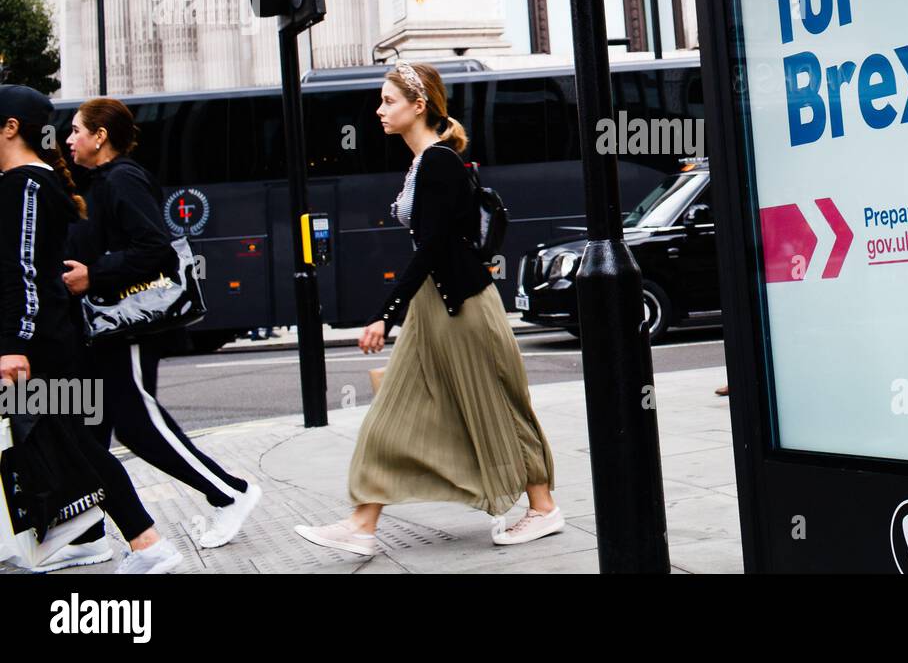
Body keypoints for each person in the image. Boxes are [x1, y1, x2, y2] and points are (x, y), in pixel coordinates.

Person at [294, 61, 562, 557]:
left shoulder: (439, 162)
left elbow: (435, 245)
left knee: (498, 403)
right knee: (392, 412)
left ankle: (543, 507)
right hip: (434, 306)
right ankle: (362, 523)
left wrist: (384, 314)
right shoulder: (424, 163)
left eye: (388, 100)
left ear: (419, 106)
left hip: (461, 306)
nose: (379, 110)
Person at [61, 97, 260, 549]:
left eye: (76, 130)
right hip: (106, 327)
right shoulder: (106, 181)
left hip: (125, 323)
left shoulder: (123, 180)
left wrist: (95, 273)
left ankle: (230, 493)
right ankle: (88, 531)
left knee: (136, 423)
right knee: (92, 427)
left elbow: (156, 250)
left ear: (100, 136)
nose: (69, 139)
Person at [0, 84, 183, 573]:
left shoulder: (28, 185)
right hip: (44, 338)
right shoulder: (26, 182)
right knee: (65, 443)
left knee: (75, 445)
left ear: (11, 127)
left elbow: (24, 270)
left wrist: (15, 343)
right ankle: (91, 536)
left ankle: (148, 544)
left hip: (43, 344)